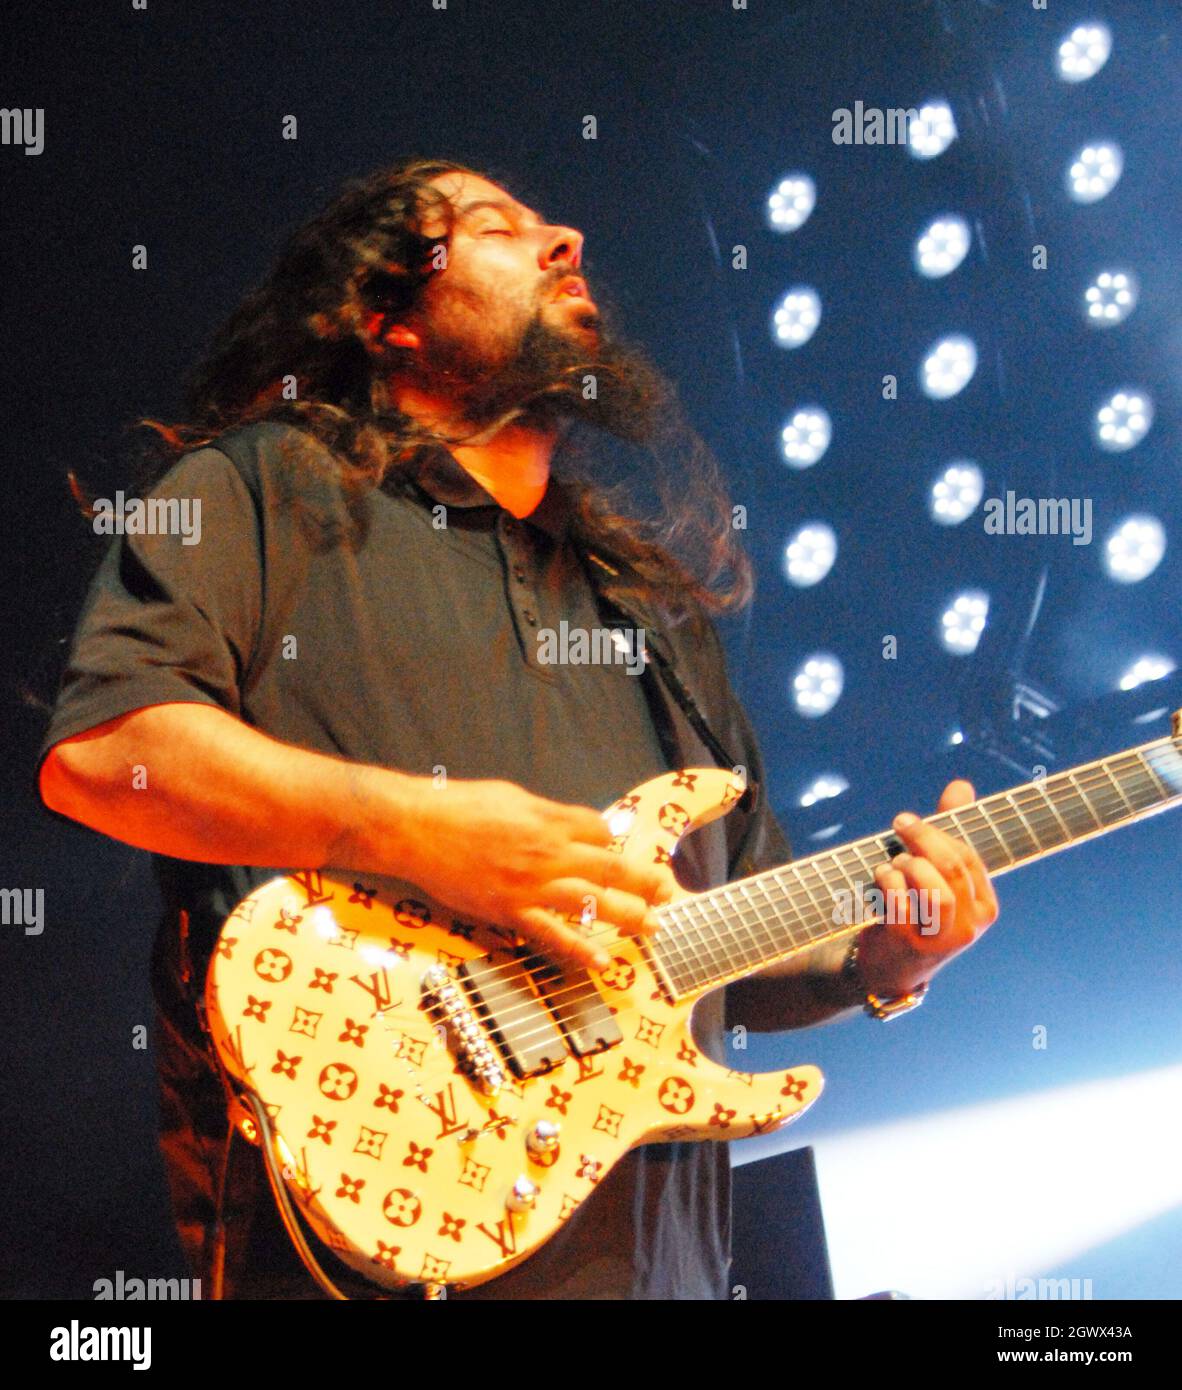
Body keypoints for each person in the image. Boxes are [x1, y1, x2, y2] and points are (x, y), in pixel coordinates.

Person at [36, 156, 999, 1300]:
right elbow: (109, 753)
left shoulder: (648, 612)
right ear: (385, 317)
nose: (566, 238)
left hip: (666, 1262)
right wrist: (428, 830)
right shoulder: (263, 489)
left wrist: (888, 956)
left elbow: (736, 942)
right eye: (497, 227)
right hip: (376, 1232)